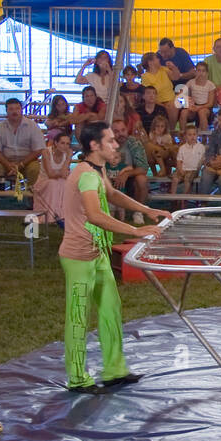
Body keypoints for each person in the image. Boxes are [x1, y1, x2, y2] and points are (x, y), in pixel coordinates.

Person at [57, 120, 167, 394]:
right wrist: (135, 230)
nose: (116, 144)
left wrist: (146, 209)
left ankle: (115, 370)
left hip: (97, 252)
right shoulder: (85, 175)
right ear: (94, 146)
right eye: (109, 141)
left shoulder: (97, 169)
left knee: (110, 310)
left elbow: (113, 193)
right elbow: (95, 214)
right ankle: (78, 378)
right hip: (79, 256)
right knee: (78, 317)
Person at [0, 99, 46, 189]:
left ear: (21, 110)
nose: (14, 111)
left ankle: (34, 200)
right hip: (4, 161)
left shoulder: (32, 126)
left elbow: (38, 150)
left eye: (17, 108)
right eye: (11, 109)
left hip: (27, 162)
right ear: (6, 111)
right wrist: (8, 165)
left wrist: (21, 164)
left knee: (36, 170)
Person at [33, 131, 73, 224]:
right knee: (54, 183)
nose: (65, 146)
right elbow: (50, 174)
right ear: (56, 143)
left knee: (65, 183)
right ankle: (50, 216)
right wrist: (61, 174)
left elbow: (64, 172)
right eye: (62, 143)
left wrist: (69, 157)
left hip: (59, 181)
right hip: (44, 181)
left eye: (67, 144)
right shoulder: (46, 152)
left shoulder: (68, 153)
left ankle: (62, 215)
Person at [140, 51, 179, 126]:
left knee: (172, 105)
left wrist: (173, 67)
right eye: (156, 58)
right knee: (169, 107)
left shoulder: (163, 69)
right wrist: (162, 105)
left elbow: (176, 77)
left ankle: (171, 130)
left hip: (171, 99)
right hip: (157, 101)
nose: (159, 60)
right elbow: (149, 94)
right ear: (150, 62)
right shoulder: (145, 77)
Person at [180, 60, 216, 134]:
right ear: (196, 72)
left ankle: (204, 137)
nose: (201, 73)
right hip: (193, 106)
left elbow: (210, 103)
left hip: (205, 107)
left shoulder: (210, 85)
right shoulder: (191, 82)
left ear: (207, 73)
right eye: (199, 70)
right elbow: (181, 95)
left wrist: (199, 107)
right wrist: (188, 105)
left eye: (203, 71)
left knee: (202, 113)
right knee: (184, 112)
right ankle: (183, 136)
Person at [145, 112, 177, 177]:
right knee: (152, 152)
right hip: (154, 154)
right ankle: (155, 173)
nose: (160, 128)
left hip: (165, 153)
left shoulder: (167, 136)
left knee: (160, 152)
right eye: (157, 126)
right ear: (154, 127)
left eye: (162, 126)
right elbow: (151, 145)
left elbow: (170, 147)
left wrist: (164, 145)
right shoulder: (152, 134)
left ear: (165, 127)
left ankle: (165, 169)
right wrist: (155, 136)